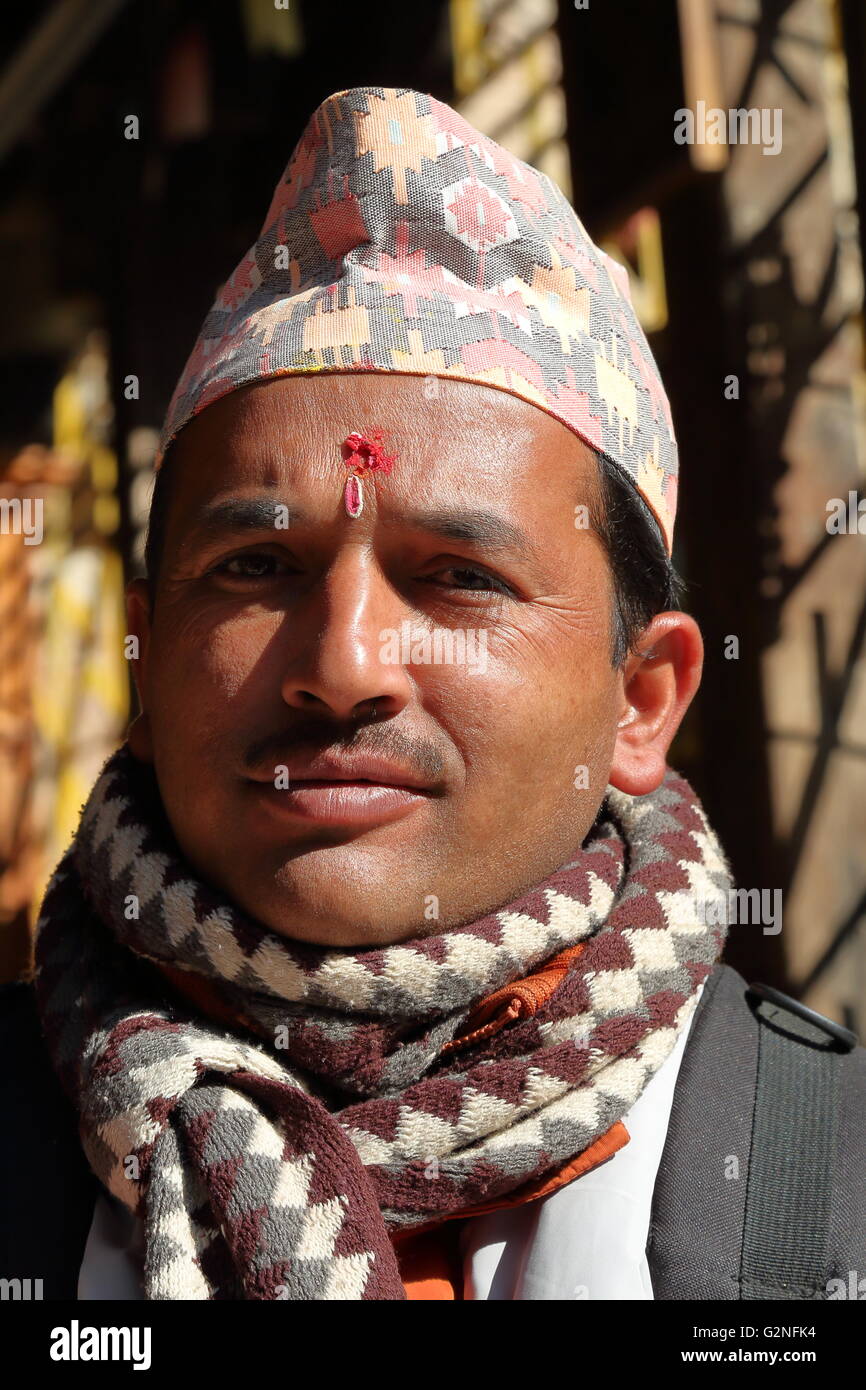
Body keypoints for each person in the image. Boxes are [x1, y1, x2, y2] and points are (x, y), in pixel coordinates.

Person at [3, 85, 864, 1302]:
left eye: (459, 578)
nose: (342, 666)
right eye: (256, 567)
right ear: (144, 656)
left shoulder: (826, 1187)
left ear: (641, 695)